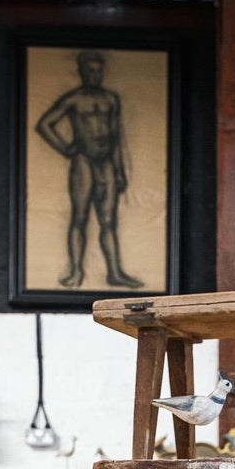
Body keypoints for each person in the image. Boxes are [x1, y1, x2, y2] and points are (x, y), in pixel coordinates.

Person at [35, 50, 141, 289]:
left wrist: (120, 170)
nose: (95, 75)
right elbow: (44, 124)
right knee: (80, 217)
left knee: (108, 220)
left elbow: (116, 137)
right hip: (83, 160)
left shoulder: (111, 99)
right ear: (82, 72)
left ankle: (114, 272)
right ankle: (76, 271)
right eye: (90, 71)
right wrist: (65, 148)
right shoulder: (73, 99)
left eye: (98, 71)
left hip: (106, 162)